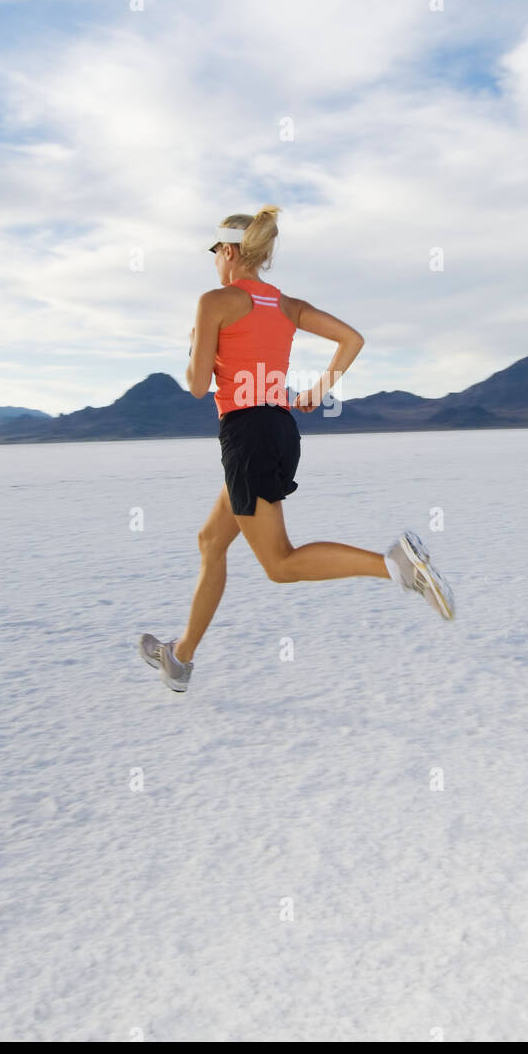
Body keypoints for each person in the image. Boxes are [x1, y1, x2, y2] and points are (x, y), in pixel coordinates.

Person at [139, 206, 454, 692]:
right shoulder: (287, 306)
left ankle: (396, 566)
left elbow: (199, 386)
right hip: (279, 430)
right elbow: (352, 339)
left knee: (280, 564)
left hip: (246, 437)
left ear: (227, 252)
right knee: (211, 541)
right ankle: (179, 659)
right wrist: (319, 389)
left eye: (216, 255)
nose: (215, 265)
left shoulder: (215, 302)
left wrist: (195, 348)